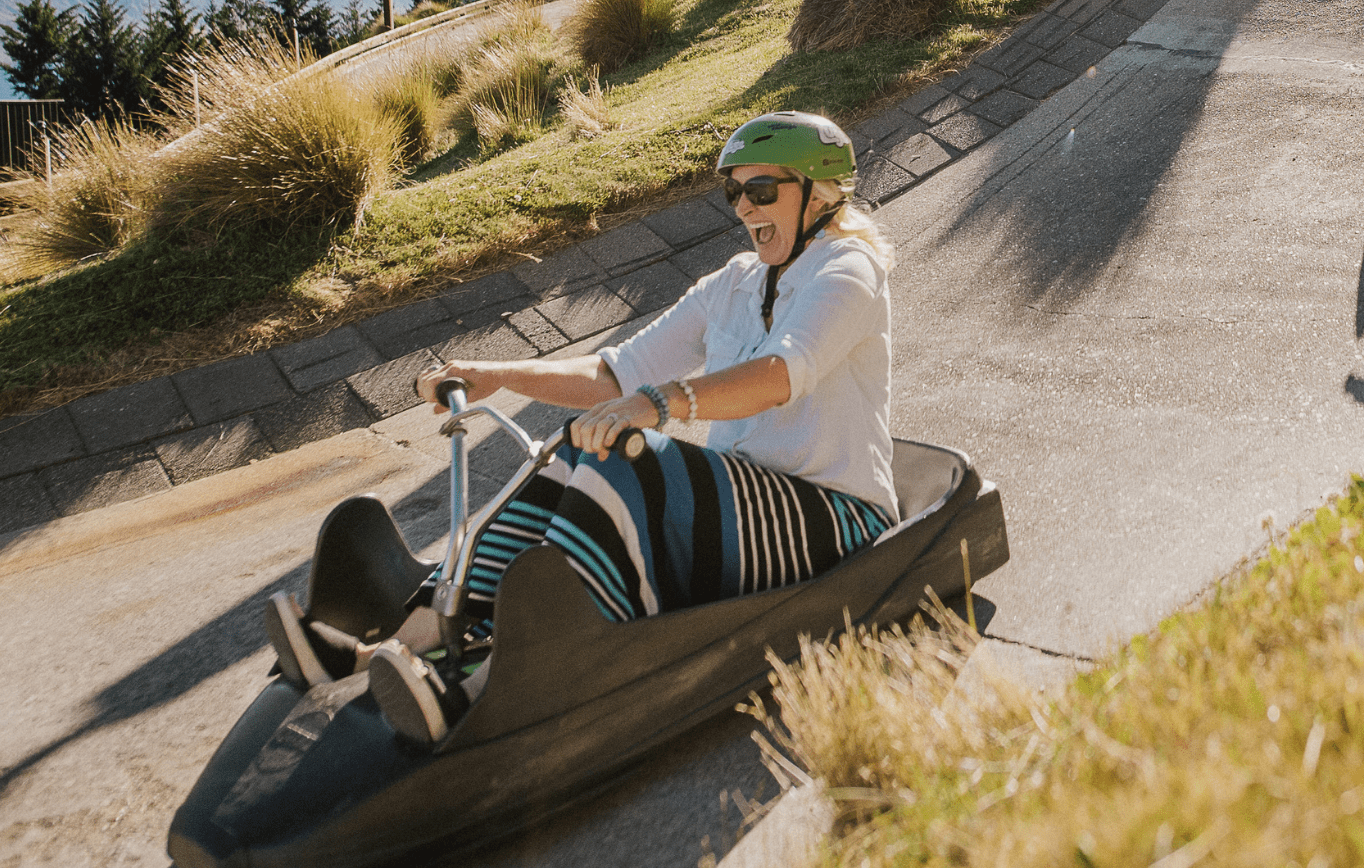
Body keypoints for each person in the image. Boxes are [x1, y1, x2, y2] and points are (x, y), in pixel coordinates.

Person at [270, 111, 899, 744]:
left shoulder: (849, 267)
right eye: (732, 190)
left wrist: (657, 405)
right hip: (744, 509)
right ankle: (395, 647)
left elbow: (782, 373)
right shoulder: (733, 283)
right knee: (570, 445)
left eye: (760, 190)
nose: (742, 207)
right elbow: (616, 372)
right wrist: (500, 373)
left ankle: (480, 685)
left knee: (625, 455)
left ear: (818, 192)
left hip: (835, 519)